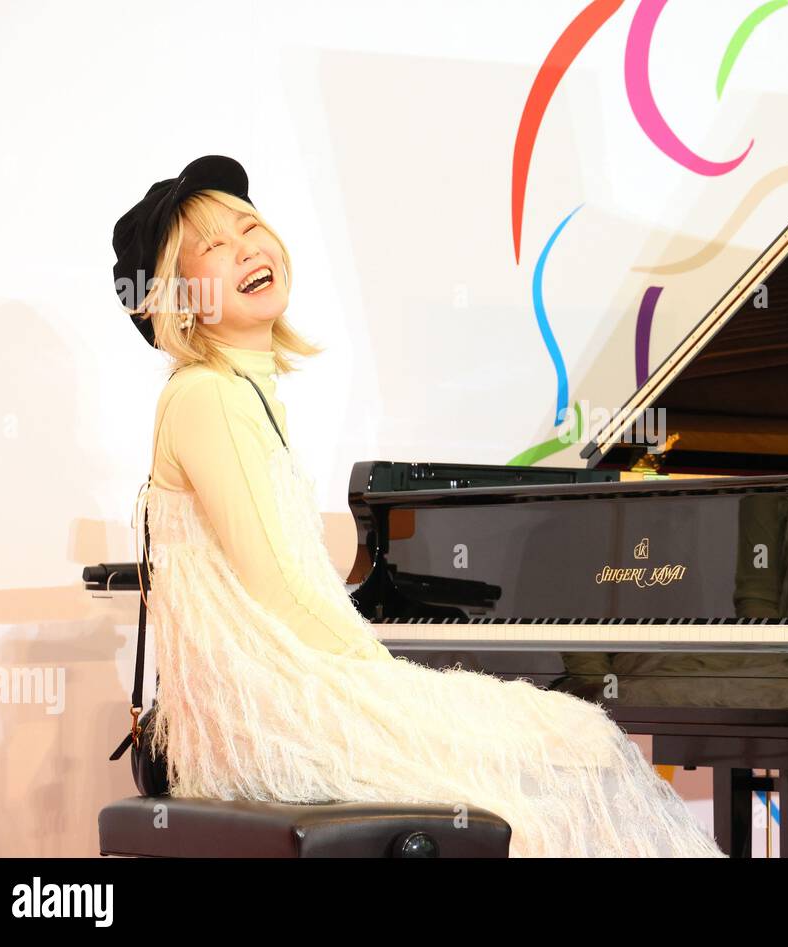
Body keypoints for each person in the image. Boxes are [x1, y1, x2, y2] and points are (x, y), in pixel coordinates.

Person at [111, 155, 726, 858]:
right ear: (178, 297)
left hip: (294, 692)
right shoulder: (209, 396)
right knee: (574, 743)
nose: (247, 245)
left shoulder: (240, 391)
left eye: (250, 225)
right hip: (275, 717)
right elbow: (278, 592)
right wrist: (384, 679)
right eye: (214, 245)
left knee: (563, 752)